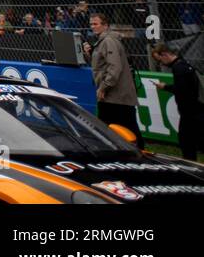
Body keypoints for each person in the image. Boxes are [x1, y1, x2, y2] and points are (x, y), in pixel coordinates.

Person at [83, 12, 143, 147]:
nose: (93, 27)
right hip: (112, 94)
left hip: (116, 94)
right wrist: (90, 54)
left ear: (105, 25)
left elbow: (115, 67)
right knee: (114, 126)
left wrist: (104, 87)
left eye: (96, 24)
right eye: (91, 24)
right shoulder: (102, 41)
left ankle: (138, 151)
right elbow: (102, 65)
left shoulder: (109, 41)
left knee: (119, 126)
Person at [150, 44, 201, 160]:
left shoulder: (179, 68)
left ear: (165, 55)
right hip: (192, 109)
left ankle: (190, 163)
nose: (161, 63)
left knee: (186, 140)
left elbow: (182, 90)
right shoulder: (183, 64)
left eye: (160, 60)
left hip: (190, 110)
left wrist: (166, 87)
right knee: (187, 139)